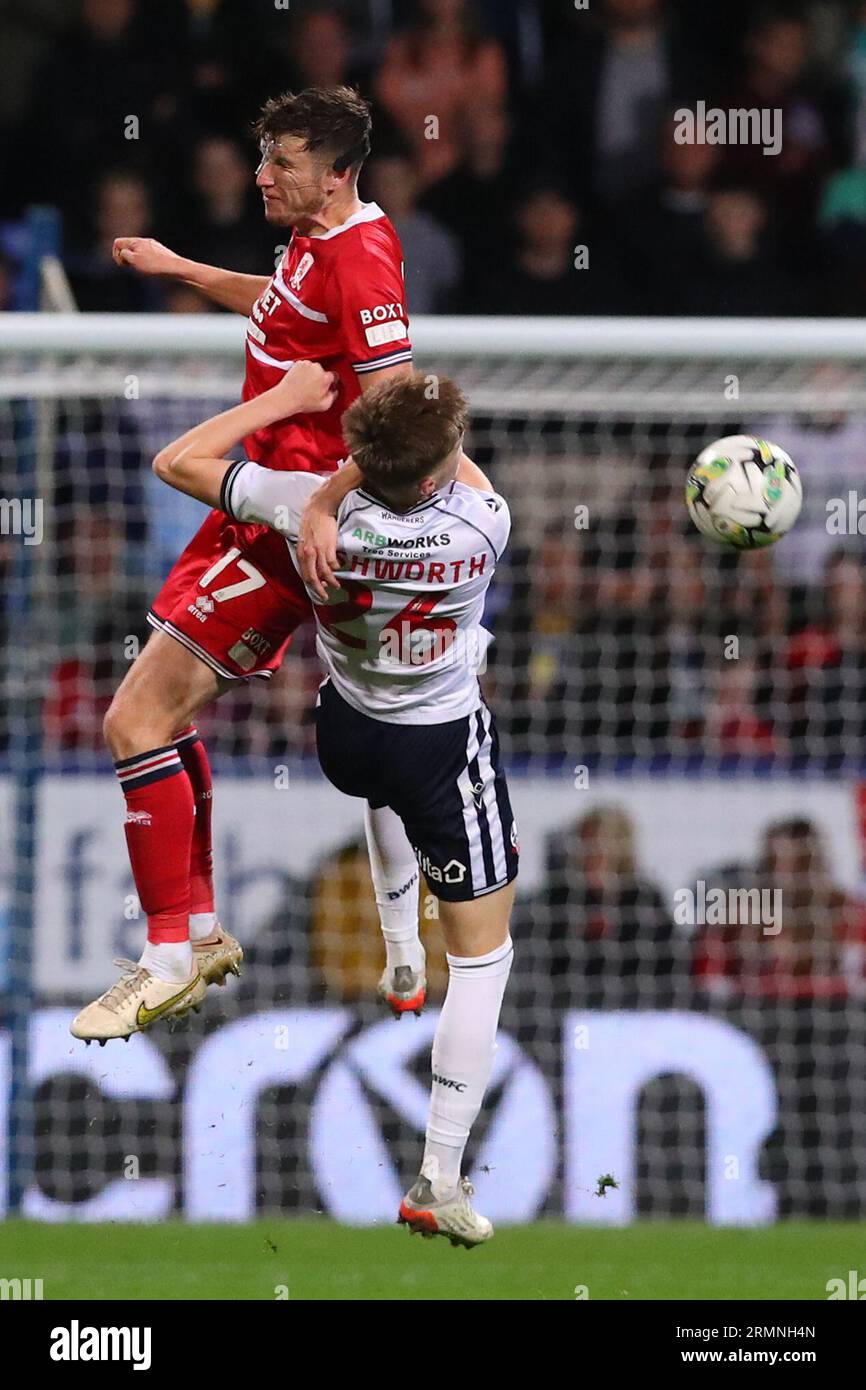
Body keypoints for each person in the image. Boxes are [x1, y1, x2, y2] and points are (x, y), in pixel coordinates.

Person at [75, 87, 461, 1040]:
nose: (261, 176)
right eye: (263, 158)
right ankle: (198, 931)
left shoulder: (364, 255)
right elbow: (285, 310)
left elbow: (400, 413)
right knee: (162, 717)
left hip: (292, 519)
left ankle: (171, 952)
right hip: (255, 502)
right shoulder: (314, 243)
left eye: (282, 162)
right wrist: (185, 269)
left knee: (136, 718)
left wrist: (325, 505)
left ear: (336, 174)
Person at [147, 364, 517, 1247]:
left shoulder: (305, 507)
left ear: (359, 458)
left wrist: (318, 490)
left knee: (376, 788)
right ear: (433, 474)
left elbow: (178, 460)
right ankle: (439, 1174)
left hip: (345, 730)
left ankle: (398, 961)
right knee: (485, 958)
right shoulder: (482, 523)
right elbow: (450, 469)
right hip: (438, 744)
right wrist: (374, 462)